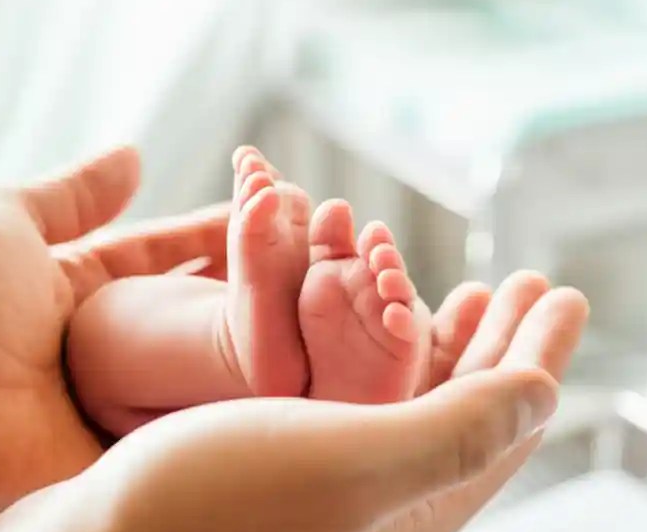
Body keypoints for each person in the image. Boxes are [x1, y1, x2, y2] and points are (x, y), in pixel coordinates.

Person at [0, 146, 589, 532]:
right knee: (99, 335)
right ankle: (256, 358)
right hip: (126, 436)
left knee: (94, 329)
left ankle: (243, 354)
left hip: (110, 418)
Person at [67, 146, 437, 437]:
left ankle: (242, 347)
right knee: (92, 331)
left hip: (219, 463)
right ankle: (234, 342)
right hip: (196, 457)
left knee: (97, 333)